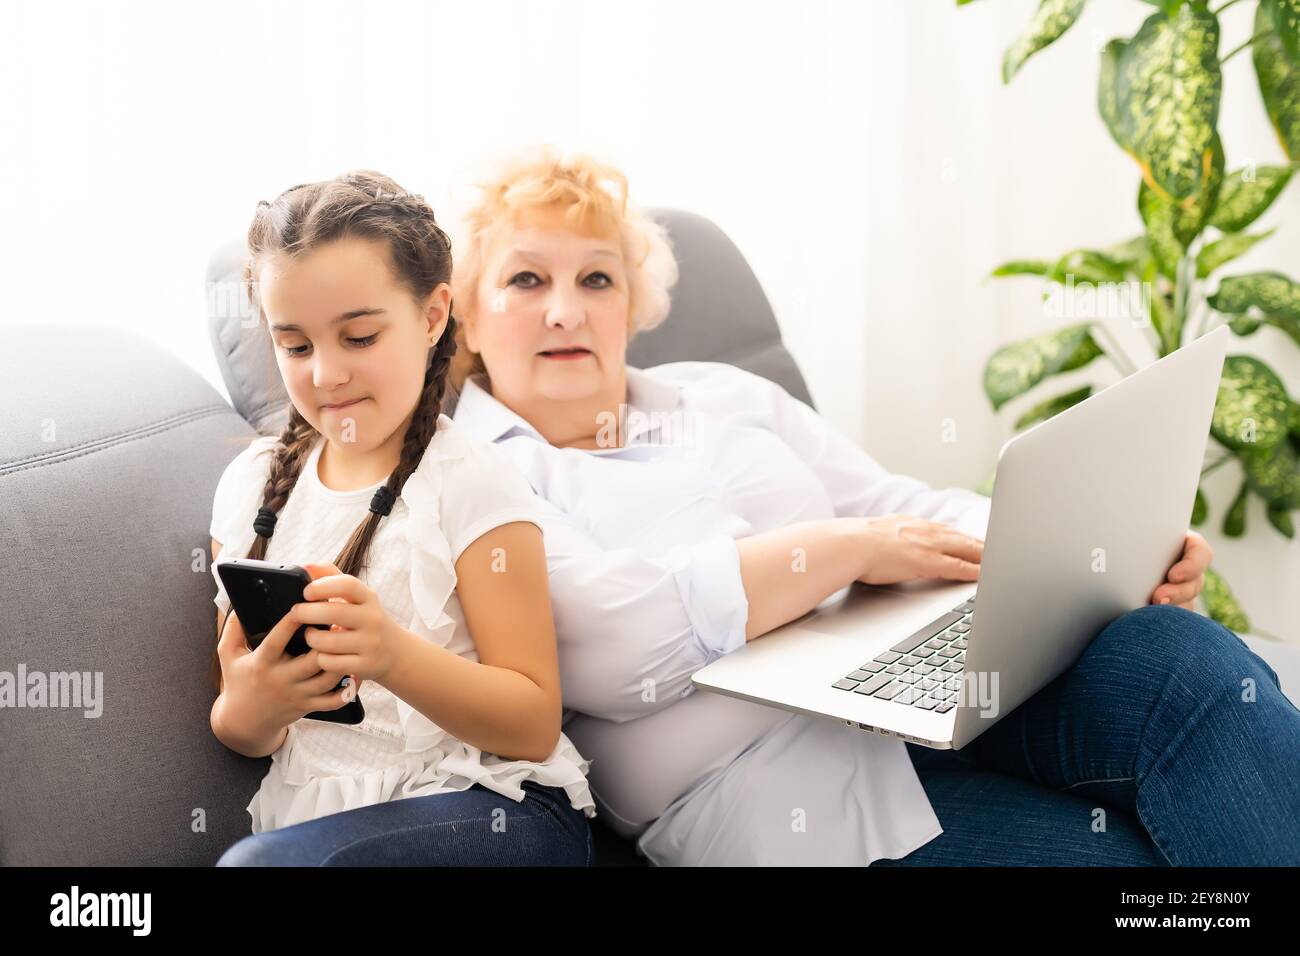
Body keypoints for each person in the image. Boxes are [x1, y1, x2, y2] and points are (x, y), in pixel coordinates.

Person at [447, 145, 1300, 865]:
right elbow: (615, 649)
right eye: (525, 280)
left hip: (918, 692)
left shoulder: (719, 396)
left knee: (1183, 658)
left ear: (631, 308)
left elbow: (902, 505)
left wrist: (1096, 546)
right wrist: (841, 552)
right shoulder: (472, 475)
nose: (566, 309)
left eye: (597, 278)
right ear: (467, 322)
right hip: (787, 794)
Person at [208, 170, 594, 866]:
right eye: (295, 346)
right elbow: (240, 729)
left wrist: (391, 655)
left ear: (432, 315)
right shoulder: (250, 489)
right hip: (330, 824)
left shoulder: (469, 478)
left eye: (358, 337)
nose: (325, 374)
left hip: (498, 804)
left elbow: (533, 724)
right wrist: (256, 703)